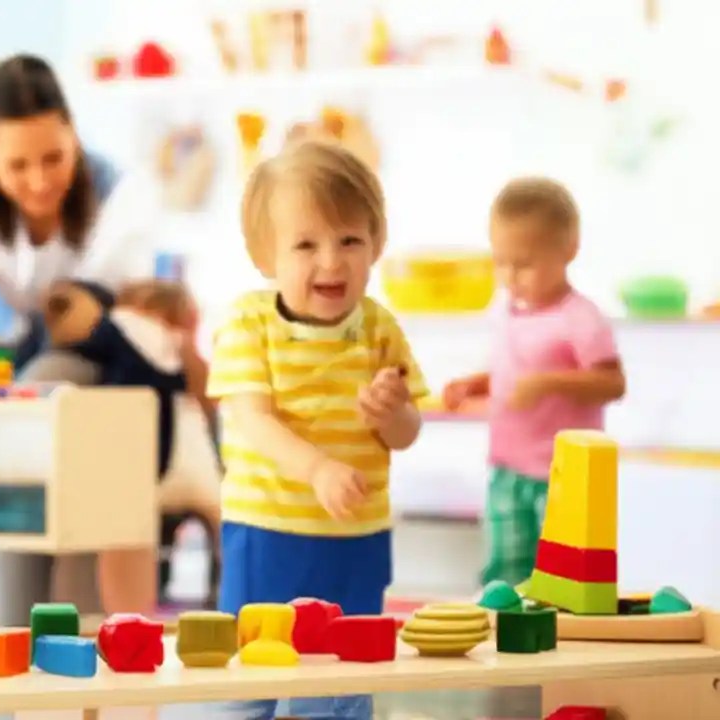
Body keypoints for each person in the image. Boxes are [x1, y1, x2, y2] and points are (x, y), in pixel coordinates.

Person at [0, 54, 160, 620]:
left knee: (42, 396)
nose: (39, 181)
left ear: (74, 135)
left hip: (116, 362)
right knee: (22, 407)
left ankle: (65, 636)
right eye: (18, 165)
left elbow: (113, 325)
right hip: (31, 372)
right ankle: (17, 632)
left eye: (55, 157)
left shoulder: (119, 196)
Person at [206, 140, 426, 720]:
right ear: (265, 257)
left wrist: (393, 414)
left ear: (375, 243)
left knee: (345, 682)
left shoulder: (380, 327)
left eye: (350, 240)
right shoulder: (249, 322)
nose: (332, 261)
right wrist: (318, 468)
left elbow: (406, 434)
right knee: (250, 680)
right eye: (306, 245)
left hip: (357, 538)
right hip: (268, 531)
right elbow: (252, 418)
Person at [444, 178, 625, 588]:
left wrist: (547, 383)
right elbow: (512, 372)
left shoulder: (580, 316)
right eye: (501, 262)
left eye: (523, 264)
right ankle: (504, 639)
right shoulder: (506, 310)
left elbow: (612, 382)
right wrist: (476, 384)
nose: (510, 275)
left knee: (566, 575)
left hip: (563, 475)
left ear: (568, 251)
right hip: (508, 468)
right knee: (505, 569)